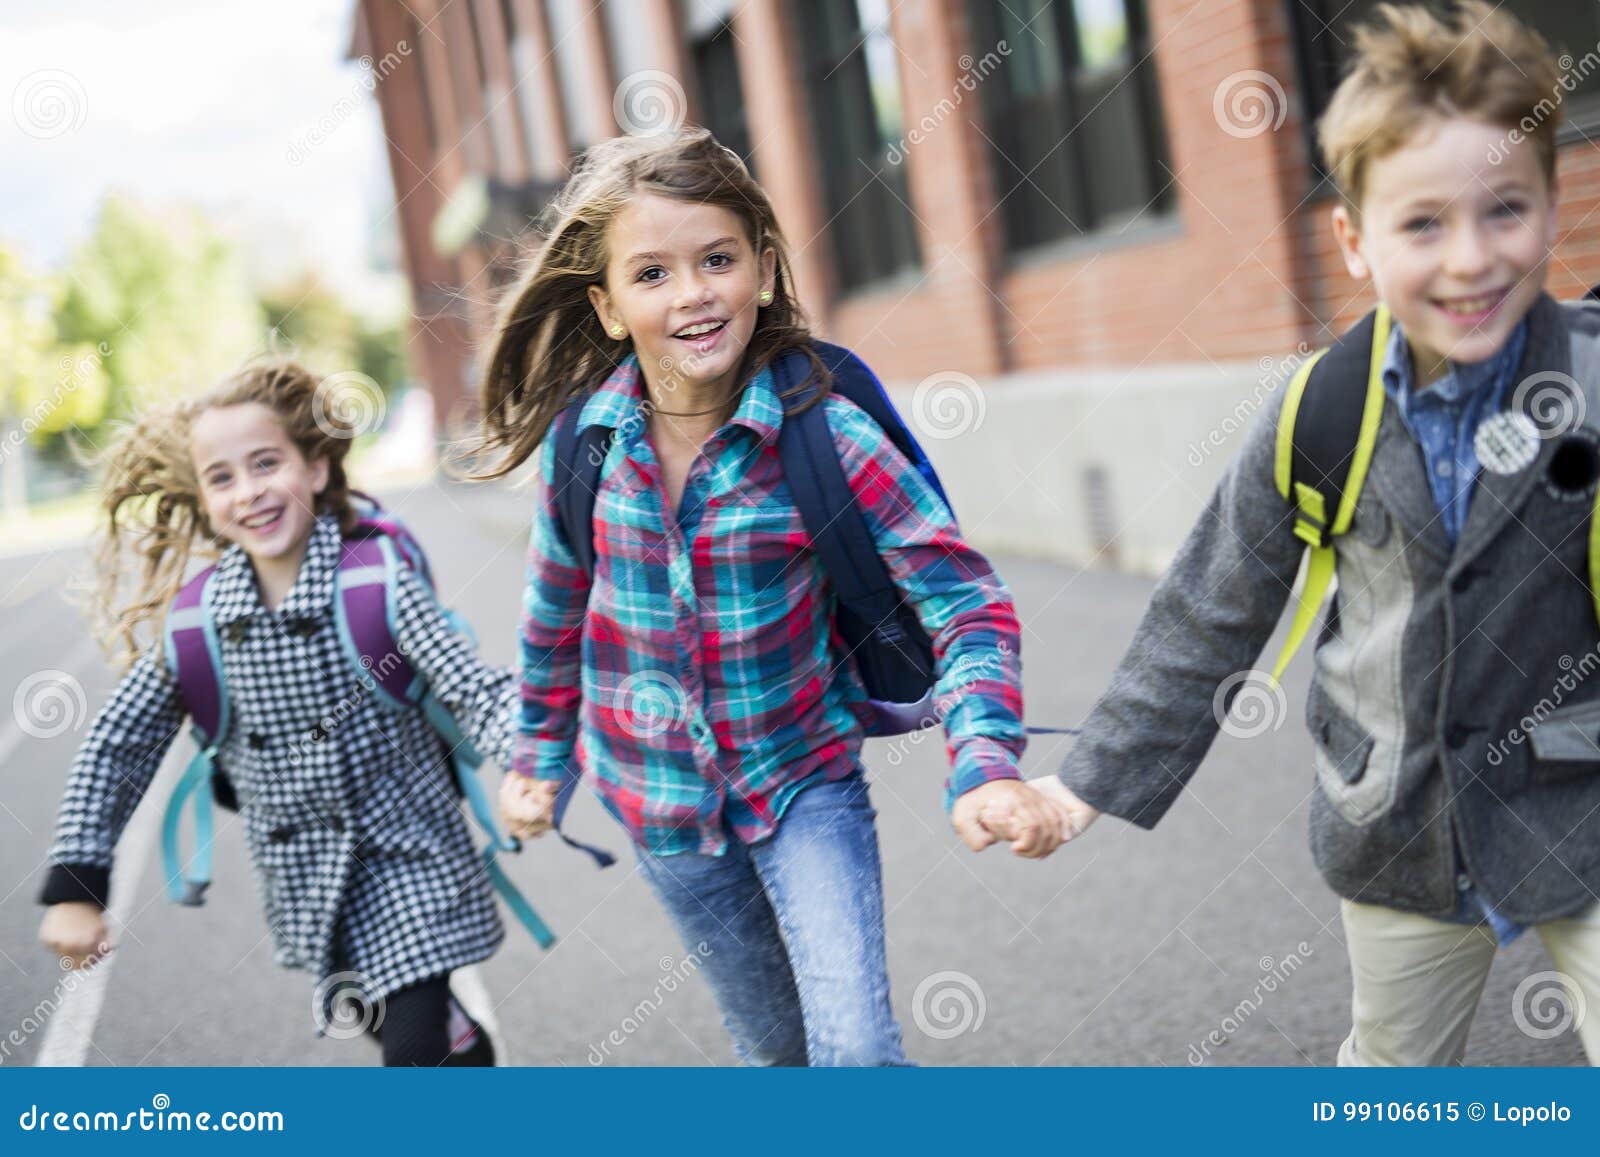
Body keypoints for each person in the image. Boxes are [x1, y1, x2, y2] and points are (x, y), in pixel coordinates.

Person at [1031, 1, 1600, 1065]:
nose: (1471, 259)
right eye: (1422, 224)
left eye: (1505, 211)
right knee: (1392, 1078)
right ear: (1353, 238)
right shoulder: (1320, 413)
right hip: (1397, 822)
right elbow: (1211, 607)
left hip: (1582, 798)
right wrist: (1085, 780)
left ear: (1551, 205)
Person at [477, 127, 1065, 1066]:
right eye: (653, 274)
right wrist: (540, 756)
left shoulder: (825, 437)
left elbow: (968, 606)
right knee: (775, 1052)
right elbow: (554, 615)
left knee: (858, 1054)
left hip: (803, 784)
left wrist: (985, 758)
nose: (694, 292)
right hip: (660, 805)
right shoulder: (584, 445)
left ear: (762, 266)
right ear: (611, 306)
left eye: (717, 259)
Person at [38, 361, 515, 1066]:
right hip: (307, 876)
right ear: (204, 497)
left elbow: (470, 684)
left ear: (316, 468)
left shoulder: (375, 581)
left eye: (267, 463)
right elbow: (118, 743)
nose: (250, 490)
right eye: (223, 476)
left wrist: (531, 761)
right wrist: (78, 884)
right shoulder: (198, 624)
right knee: (399, 1025)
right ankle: (466, 1050)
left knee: (414, 1056)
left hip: (414, 858)